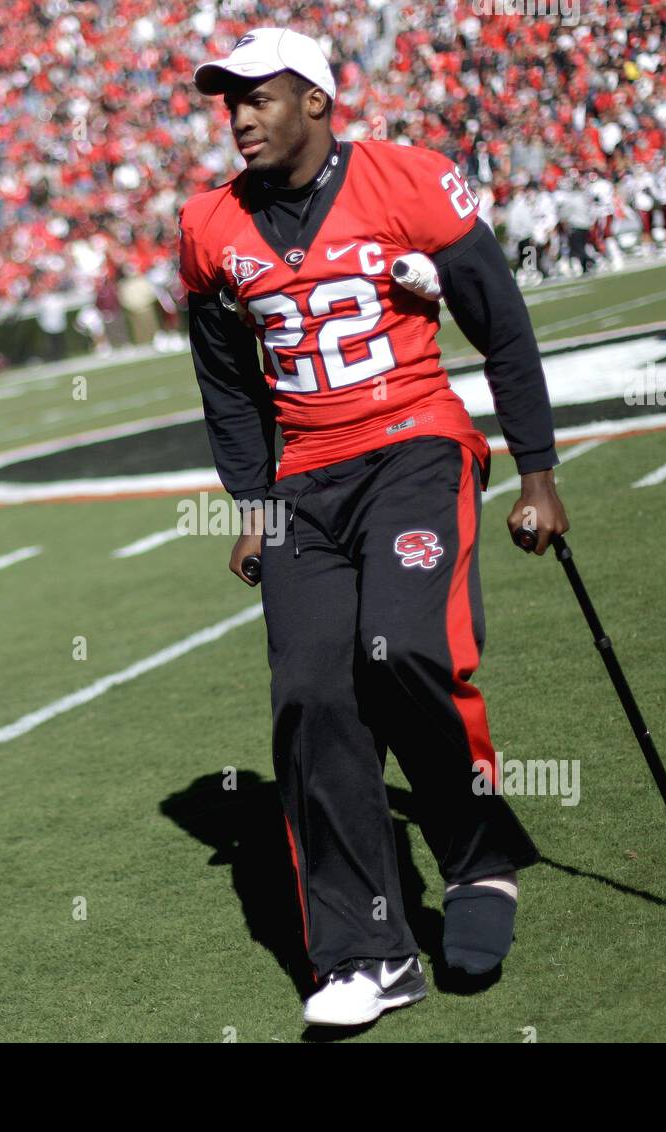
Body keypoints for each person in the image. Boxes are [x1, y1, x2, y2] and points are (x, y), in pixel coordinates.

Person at [180, 27, 568, 1028]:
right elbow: (226, 386)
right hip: (304, 479)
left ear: (316, 99)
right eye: (229, 103)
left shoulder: (408, 180)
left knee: (398, 650)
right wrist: (253, 506)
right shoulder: (208, 226)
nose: (240, 118)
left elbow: (501, 321)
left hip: (415, 447)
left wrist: (537, 470)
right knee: (310, 697)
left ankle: (479, 856)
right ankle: (367, 950)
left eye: (257, 97)